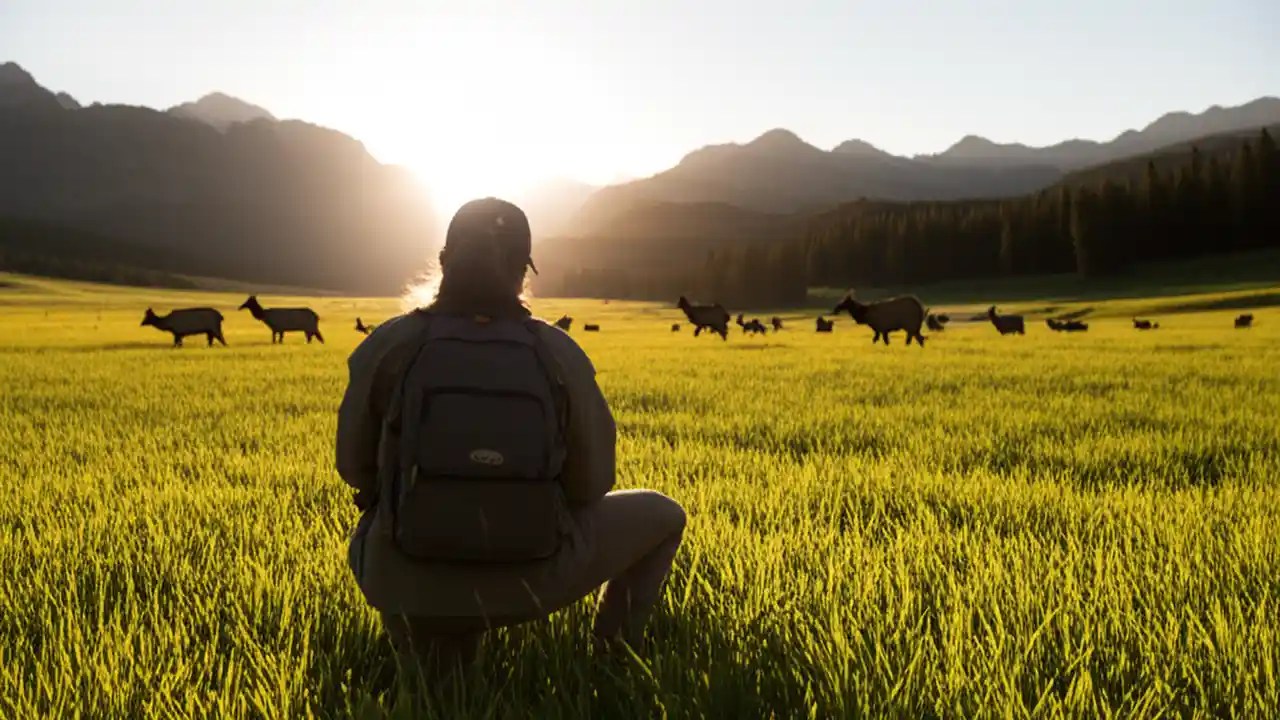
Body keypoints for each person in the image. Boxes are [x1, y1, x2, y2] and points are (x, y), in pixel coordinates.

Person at [336, 197, 687, 683]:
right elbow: (593, 484)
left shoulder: (391, 343)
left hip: (406, 575)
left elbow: (354, 469)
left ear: (444, 261)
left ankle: (430, 650)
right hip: (531, 577)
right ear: (524, 272)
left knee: (435, 676)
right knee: (665, 515)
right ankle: (614, 661)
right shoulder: (555, 351)